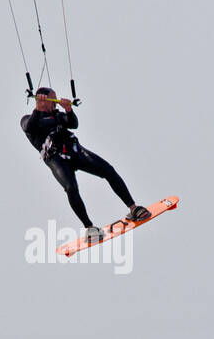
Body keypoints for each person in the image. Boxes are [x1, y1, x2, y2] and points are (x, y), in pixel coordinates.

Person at [20, 87, 150, 240]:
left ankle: (133, 208)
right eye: (52, 100)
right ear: (43, 101)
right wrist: (37, 109)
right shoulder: (28, 119)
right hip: (57, 160)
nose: (55, 104)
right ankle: (89, 227)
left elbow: (73, 124)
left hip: (76, 151)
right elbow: (29, 127)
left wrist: (68, 110)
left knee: (108, 170)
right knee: (71, 188)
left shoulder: (58, 115)